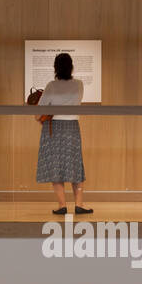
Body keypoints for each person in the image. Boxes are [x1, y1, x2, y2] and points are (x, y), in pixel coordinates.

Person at [35, 52, 91, 214]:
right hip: (72, 126)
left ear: (55, 68)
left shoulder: (51, 85)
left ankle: (62, 205)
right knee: (75, 165)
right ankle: (79, 204)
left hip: (54, 127)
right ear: (71, 67)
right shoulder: (79, 84)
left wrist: (40, 118)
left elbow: (40, 112)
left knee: (55, 165)